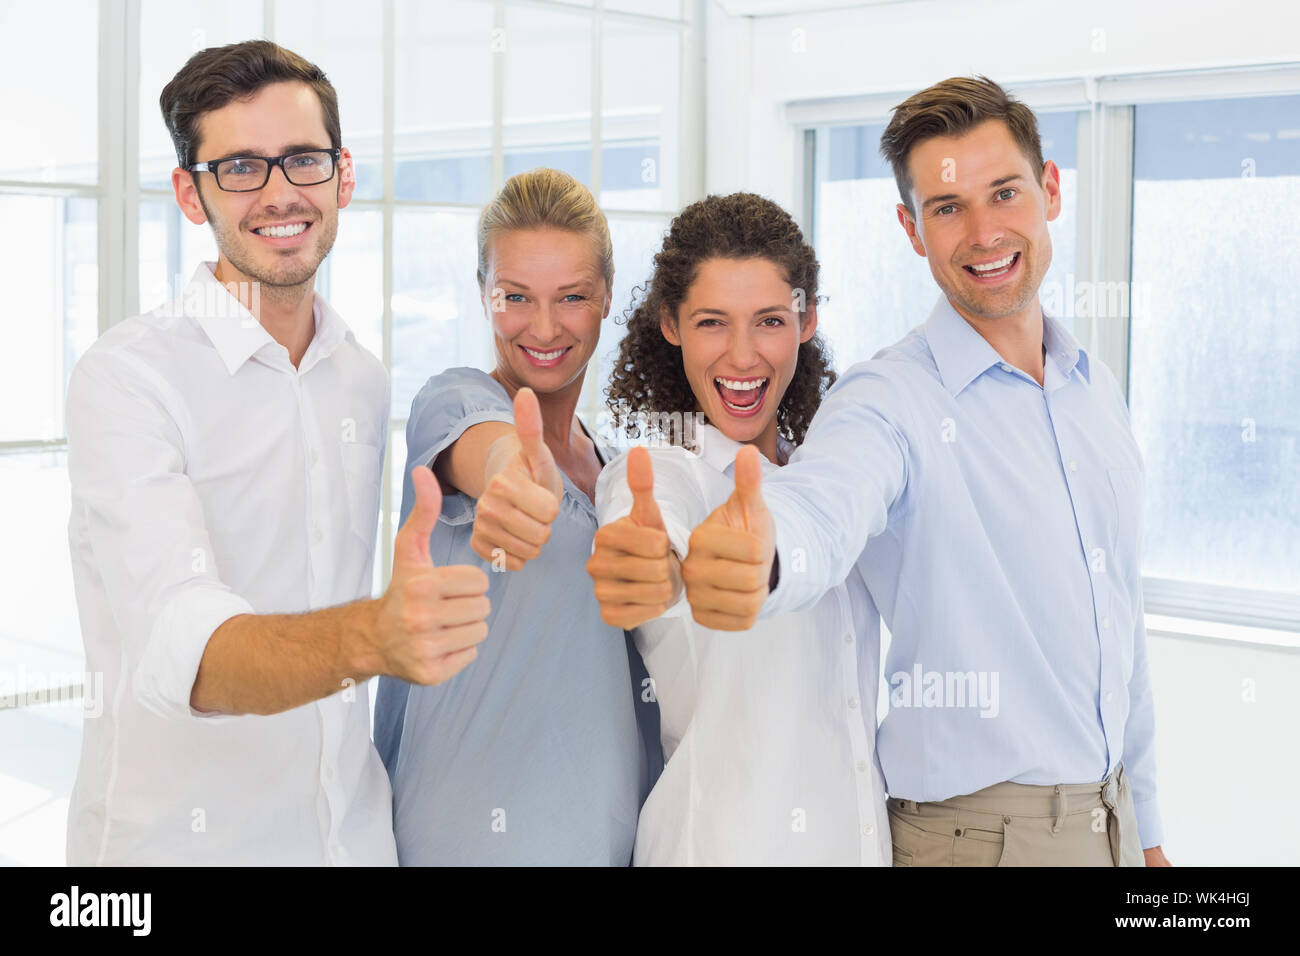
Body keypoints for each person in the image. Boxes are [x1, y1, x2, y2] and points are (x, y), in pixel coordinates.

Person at [681, 76, 1171, 867]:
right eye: (947, 208)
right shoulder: (889, 399)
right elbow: (825, 505)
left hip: (1105, 822)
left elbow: (1123, 624)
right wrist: (768, 555)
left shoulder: (1094, 389)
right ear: (913, 228)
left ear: (1049, 190)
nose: (983, 232)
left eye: (1003, 193)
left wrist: (1143, 828)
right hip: (977, 844)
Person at [64, 40, 489, 866]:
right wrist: (373, 637)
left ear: (343, 177)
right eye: (240, 169)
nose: (280, 193)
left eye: (302, 160)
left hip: (352, 840)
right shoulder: (127, 380)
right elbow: (186, 647)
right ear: (192, 194)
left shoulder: (359, 377)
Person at [587, 193, 889, 865]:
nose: (744, 356)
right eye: (713, 323)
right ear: (671, 324)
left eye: (770, 321)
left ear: (806, 321)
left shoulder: (830, 485)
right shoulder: (660, 473)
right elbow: (644, 535)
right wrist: (647, 564)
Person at [373, 167, 659, 866]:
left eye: (572, 297)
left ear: (606, 300)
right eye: (515, 297)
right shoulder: (453, 402)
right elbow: (492, 454)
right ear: (482, 295)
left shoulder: (620, 473)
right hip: (464, 840)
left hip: (606, 840)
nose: (543, 326)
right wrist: (509, 482)